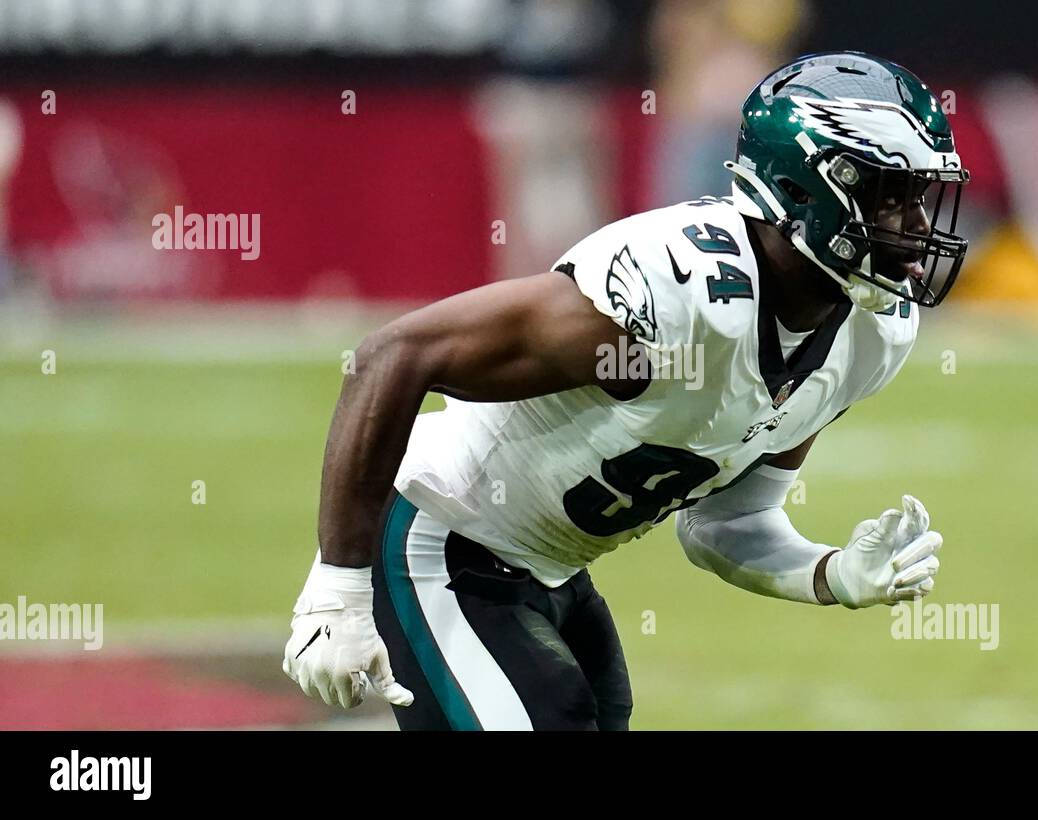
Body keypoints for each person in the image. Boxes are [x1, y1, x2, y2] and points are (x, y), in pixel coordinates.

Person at [282, 51, 971, 730]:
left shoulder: (869, 334)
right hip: (441, 535)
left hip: (549, 571)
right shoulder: (681, 295)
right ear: (802, 189)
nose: (916, 225)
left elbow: (729, 525)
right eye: (890, 194)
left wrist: (834, 575)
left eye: (919, 196)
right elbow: (394, 354)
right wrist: (336, 590)